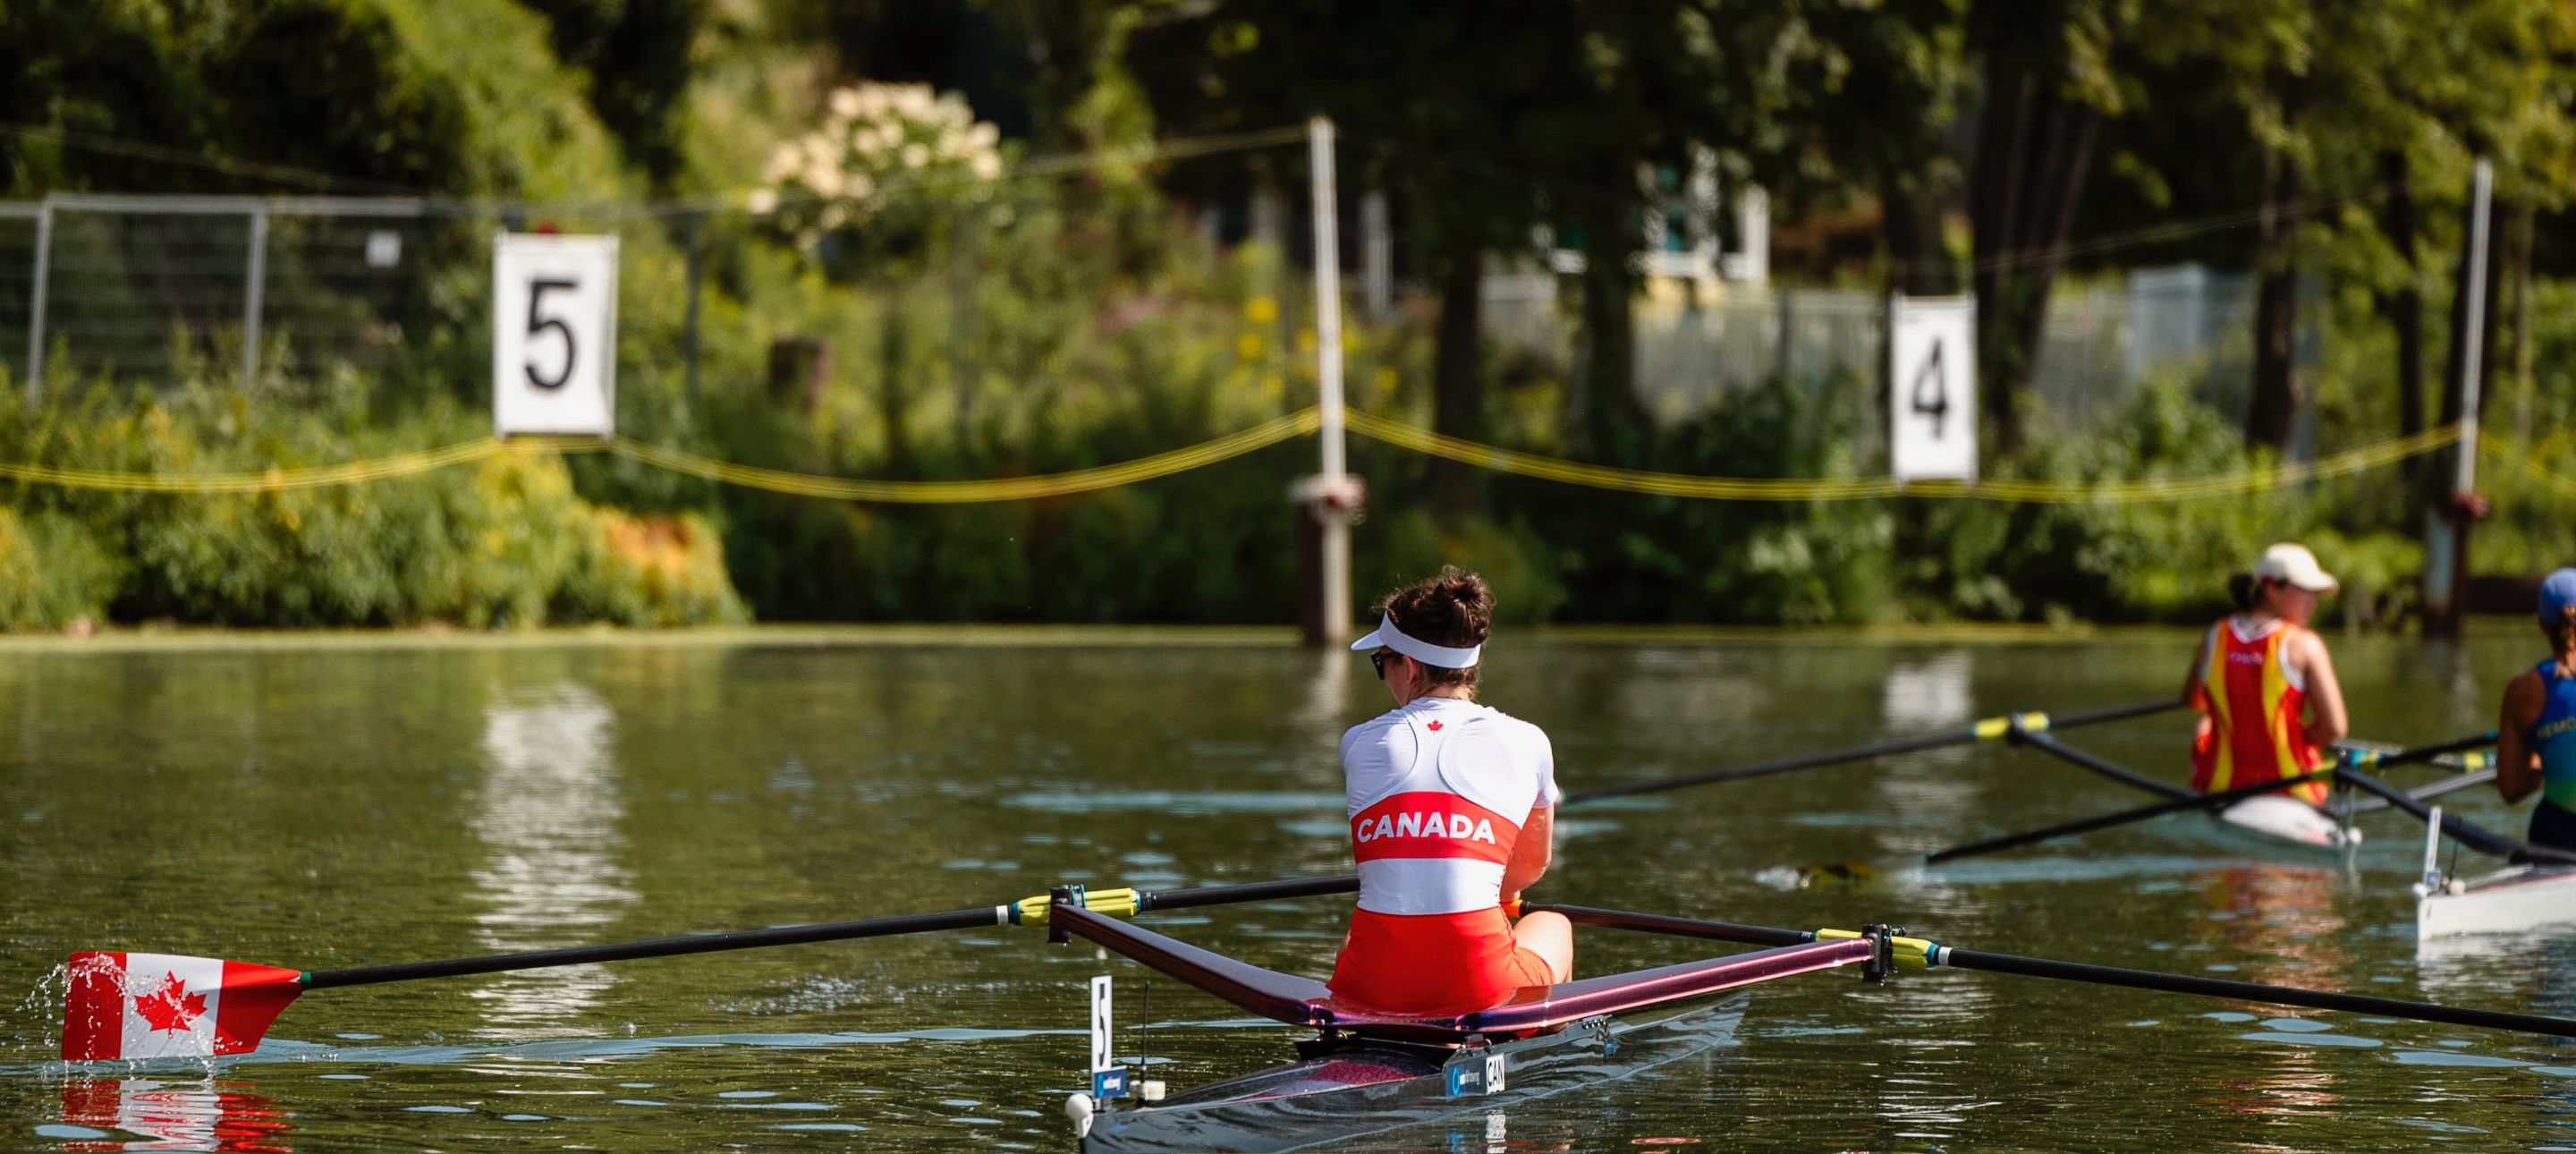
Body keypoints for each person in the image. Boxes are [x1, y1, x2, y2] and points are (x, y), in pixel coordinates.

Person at [1327, 567, 1572, 1014]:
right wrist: (1494, 896)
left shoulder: (1357, 743)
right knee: (1553, 924)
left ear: (1410, 667)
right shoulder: (1529, 741)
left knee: (1354, 939)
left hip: (1372, 986)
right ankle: (1538, 1038)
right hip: (1482, 987)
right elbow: (1530, 865)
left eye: (1381, 663)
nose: (1383, 675)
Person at [2184, 543, 2350, 810]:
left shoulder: (2214, 635)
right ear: (2271, 588)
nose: (2313, 601)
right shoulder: (2306, 644)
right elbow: (2334, 730)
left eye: (2316, 593)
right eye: (2306, 590)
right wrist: (2300, 736)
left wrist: (2214, 720)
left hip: (2220, 791)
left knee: (2205, 728)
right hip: (2292, 793)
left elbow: (2193, 700)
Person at [2492, 569, 2576, 852]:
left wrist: (2541, 764)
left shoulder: (2523, 691)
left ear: (2541, 625)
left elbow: (2511, 788)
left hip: (2558, 837)